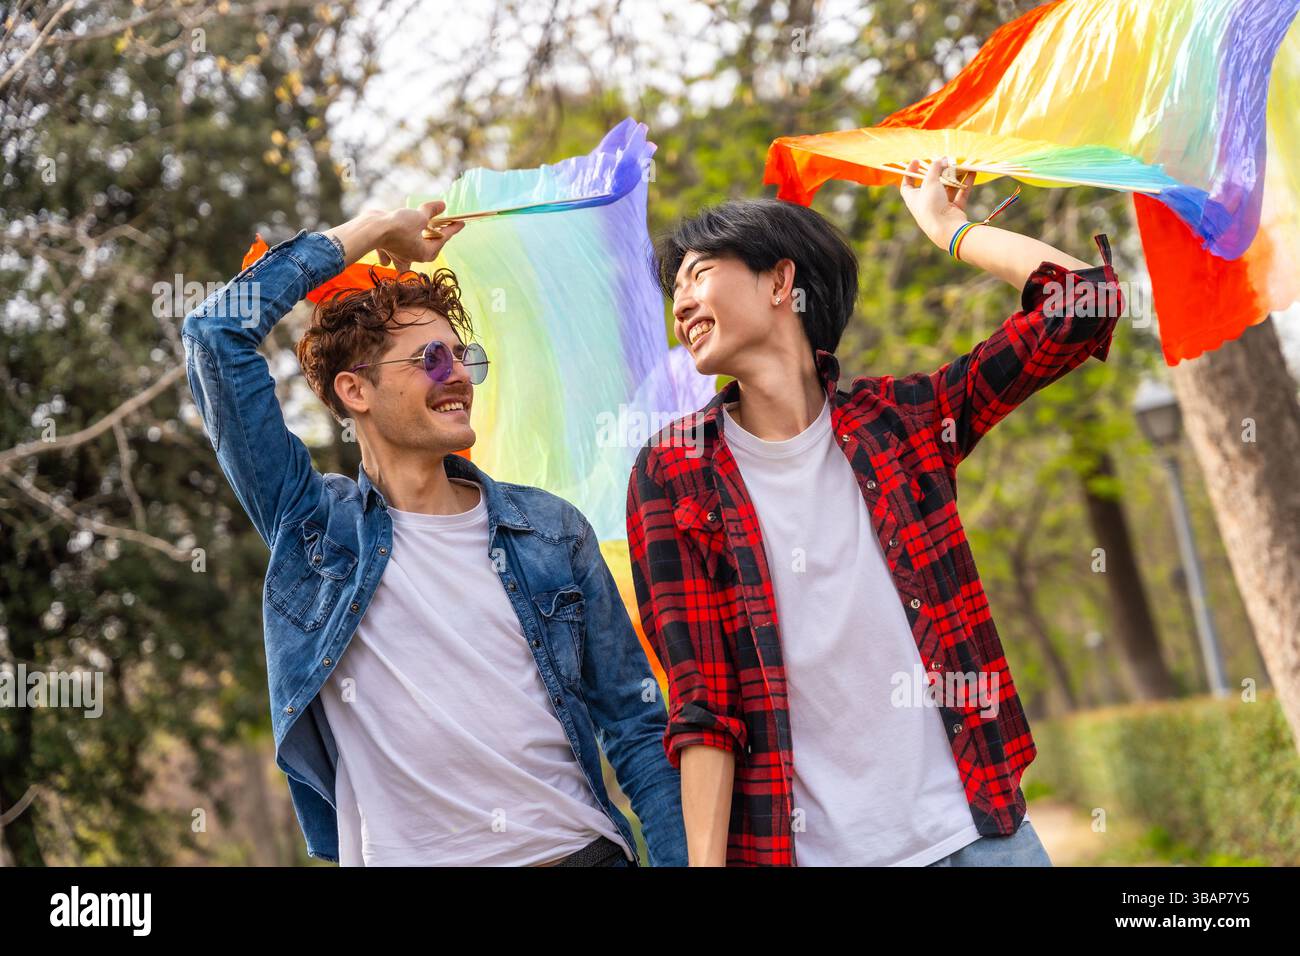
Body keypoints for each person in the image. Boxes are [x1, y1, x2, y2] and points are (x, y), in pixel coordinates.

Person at [626, 158, 1122, 866]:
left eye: (698, 273)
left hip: (982, 839)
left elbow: (1085, 305)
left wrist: (951, 229)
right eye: (673, 288)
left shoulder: (903, 421)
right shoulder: (671, 473)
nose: (680, 302)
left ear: (778, 281)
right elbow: (703, 704)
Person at [182, 201, 685, 866]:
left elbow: (638, 729)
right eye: (426, 358)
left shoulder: (552, 533)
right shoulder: (317, 533)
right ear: (355, 392)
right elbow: (215, 334)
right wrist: (374, 228)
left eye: (459, 355)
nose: (455, 376)